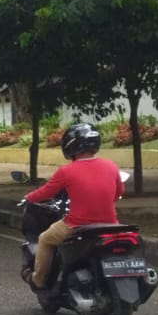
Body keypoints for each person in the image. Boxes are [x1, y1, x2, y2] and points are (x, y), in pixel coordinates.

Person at [24, 123, 122, 288]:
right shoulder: (111, 166)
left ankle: (38, 279)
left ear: (70, 146)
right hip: (110, 224)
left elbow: (46, 192)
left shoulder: (66, 171)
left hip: (77, 225)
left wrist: (29, 198)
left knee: (45, 239)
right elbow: (119, 192)